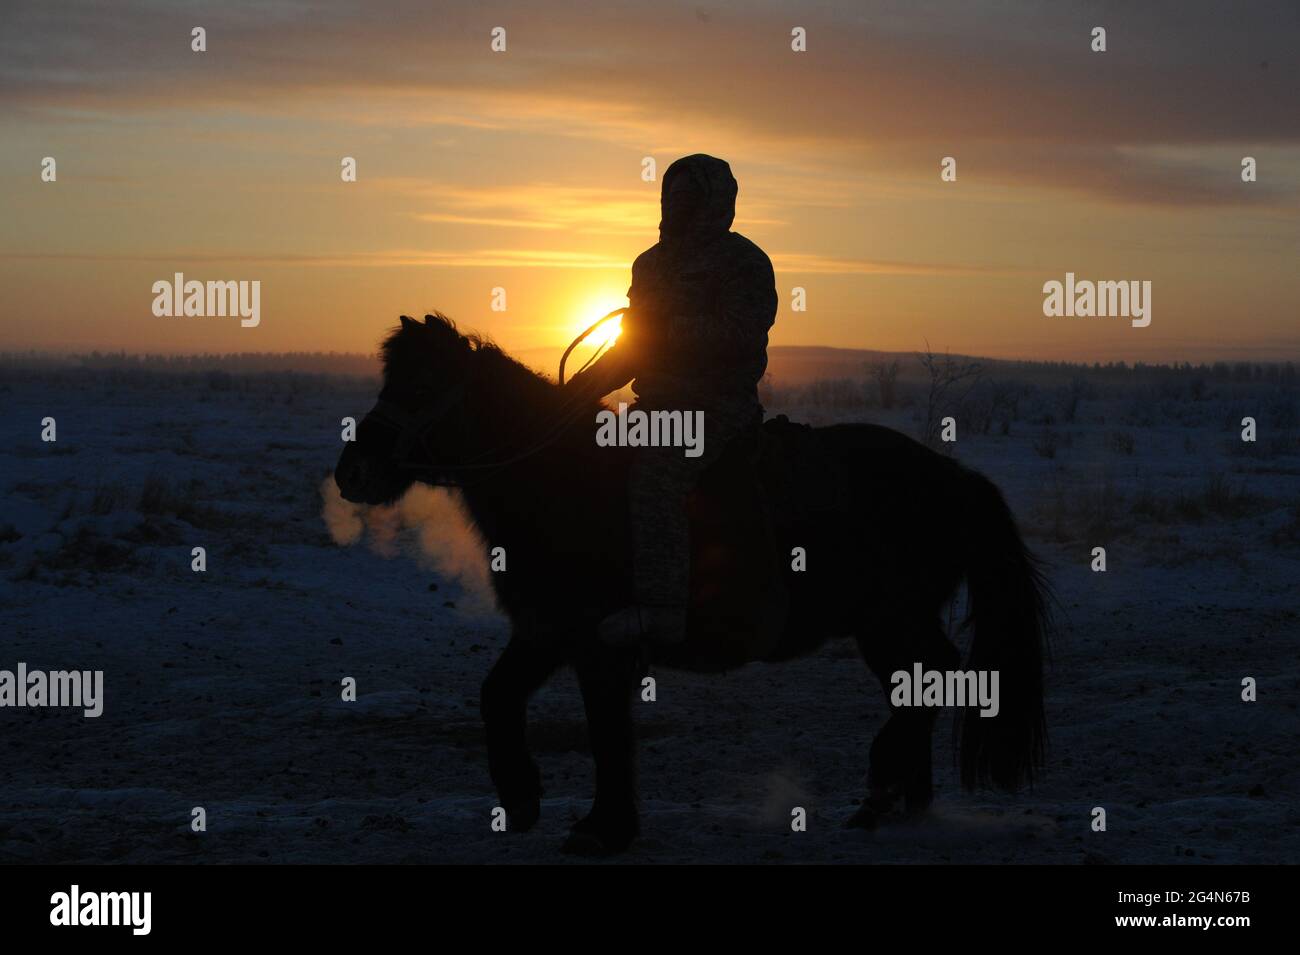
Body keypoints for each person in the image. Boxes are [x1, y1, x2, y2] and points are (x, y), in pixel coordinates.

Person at [566, 154, 777, 646]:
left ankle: (663, 611)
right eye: (671, 195)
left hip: (716, 406)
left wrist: (669, 329)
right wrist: (576, 391)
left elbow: (743, 332)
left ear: (713, 201)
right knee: (587, 457)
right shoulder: (650, 264)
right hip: (654, 405)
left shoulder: (743, 260)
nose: (677, 204)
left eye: (689, 196)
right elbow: (633, 348)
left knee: (657, 473)